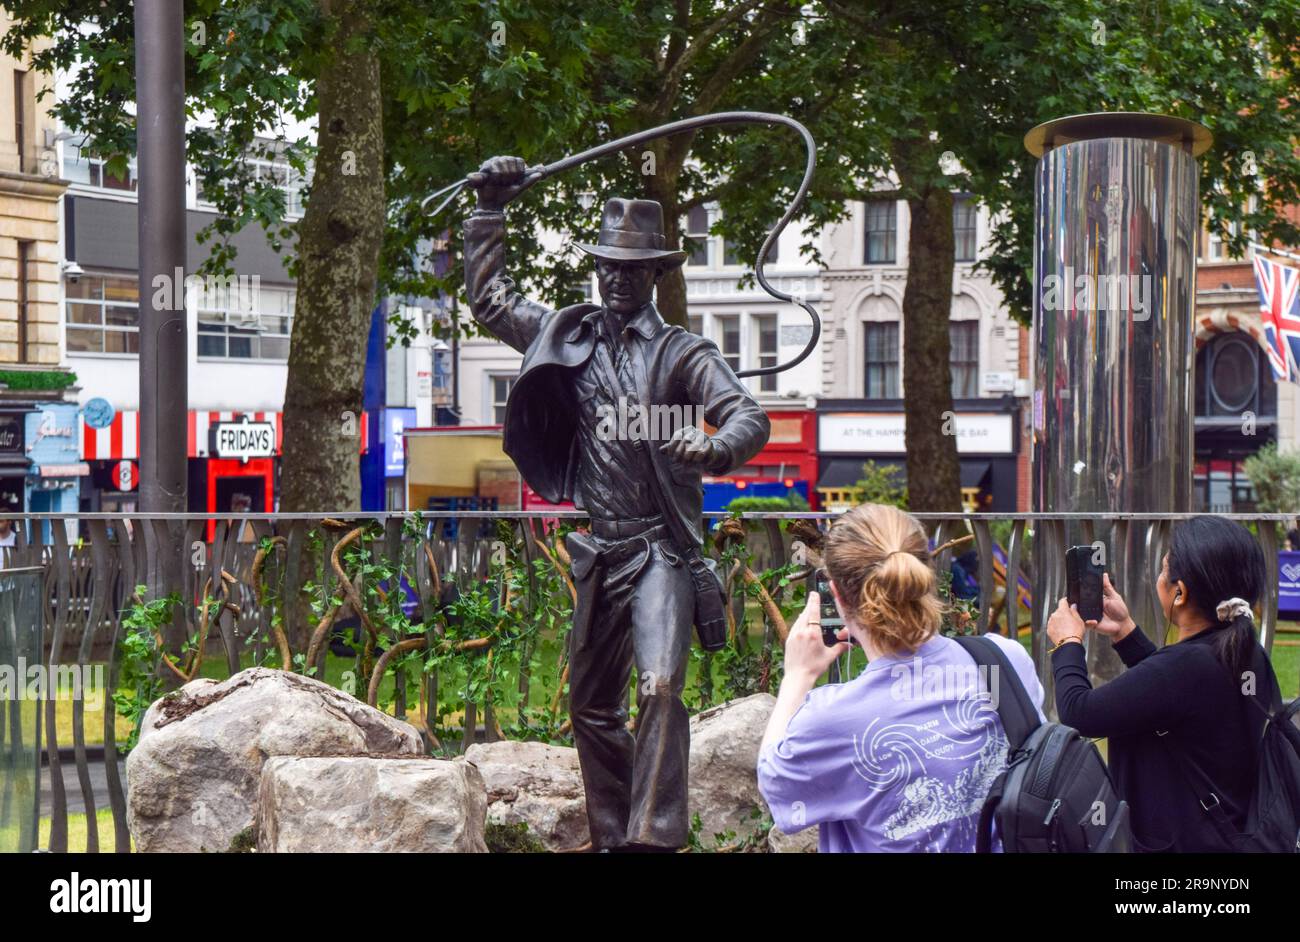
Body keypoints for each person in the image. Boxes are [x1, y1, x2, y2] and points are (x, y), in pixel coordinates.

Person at [463, 156, 770, 851]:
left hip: (662, 550)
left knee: (660, 686)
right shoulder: (566, 336)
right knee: (591, 707)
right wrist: (489, 212)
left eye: (631, 269)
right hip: (603, 552)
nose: (616, 279)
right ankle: (613, 836)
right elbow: (492, 304)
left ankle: (653, 841)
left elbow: (748, 415)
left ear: (656, 274)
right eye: (607, 266)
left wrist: (715, 447)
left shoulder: (683, 354)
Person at [756, 503, 1044, 852]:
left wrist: (797, 677)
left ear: (837, 595)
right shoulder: (1004, 661)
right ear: (925, 574)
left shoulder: (833, 719)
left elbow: (775, 783)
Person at [1045, 515, 1281, 852]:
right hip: (1227, 832)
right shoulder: (1242, 650)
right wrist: (1126, 632)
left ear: (1180, 592)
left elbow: (1079, 713)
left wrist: (1066, 643)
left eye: (1163, 569)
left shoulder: (1185, 668)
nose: (1158, 578)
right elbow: (1175, 698)